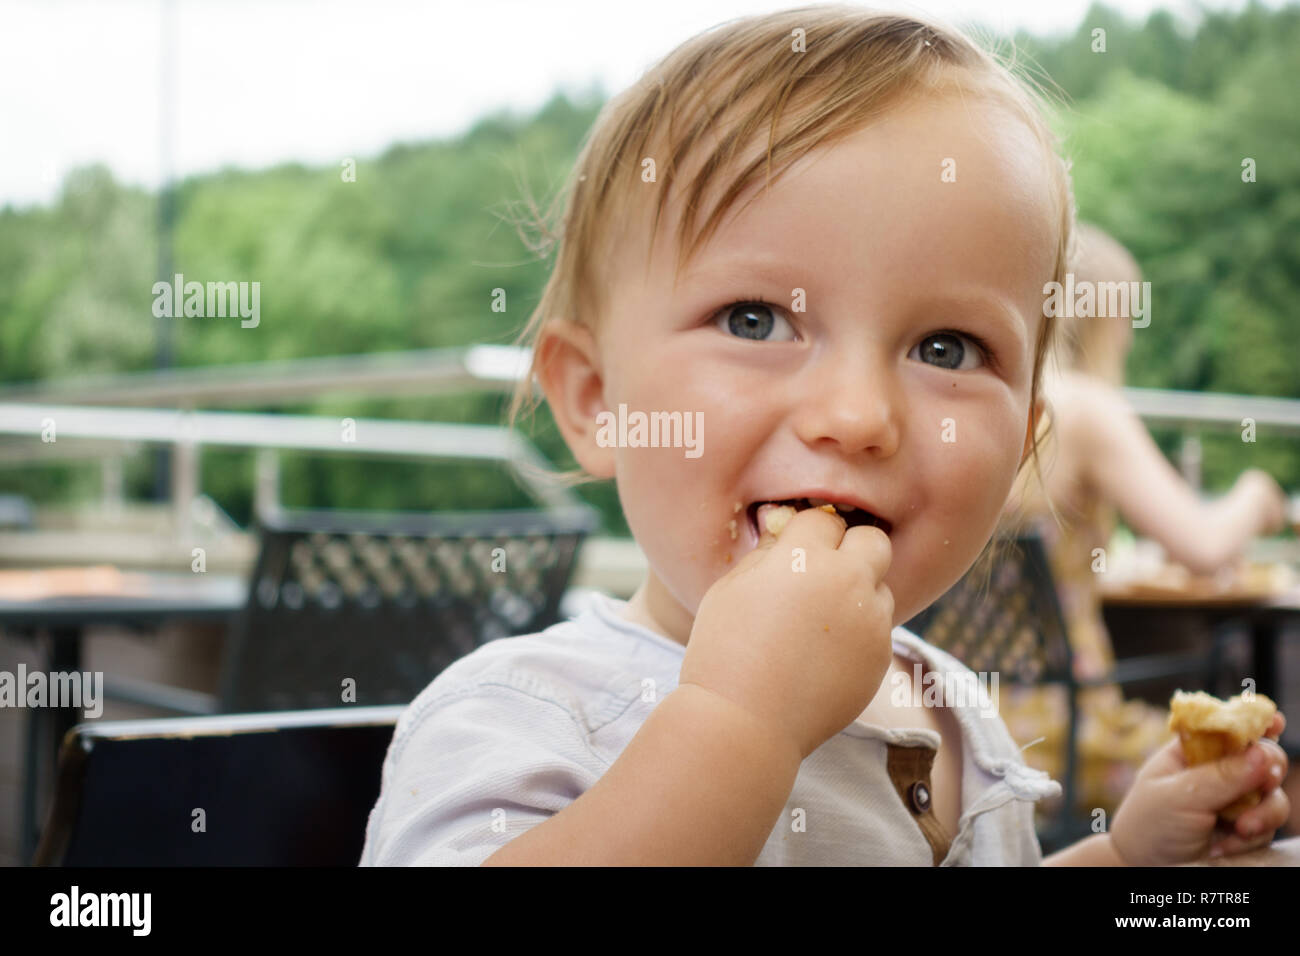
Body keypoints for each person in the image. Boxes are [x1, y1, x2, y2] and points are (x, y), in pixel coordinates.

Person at [360, 8, 1288, 866]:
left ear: (1025, 439)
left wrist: (1127, 861)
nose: (856, 416)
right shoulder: (523, 718)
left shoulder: (955, 707)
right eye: (756, 320)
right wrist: (740, 722)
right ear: (598, 397)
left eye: (946, 346)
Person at [998, 223, 1289, 826]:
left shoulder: (985, 399)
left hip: (955, 726)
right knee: (1262, 764)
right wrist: (1257, 494)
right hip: (1070, 736)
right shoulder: (1085, 409)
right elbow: (1203, 547)